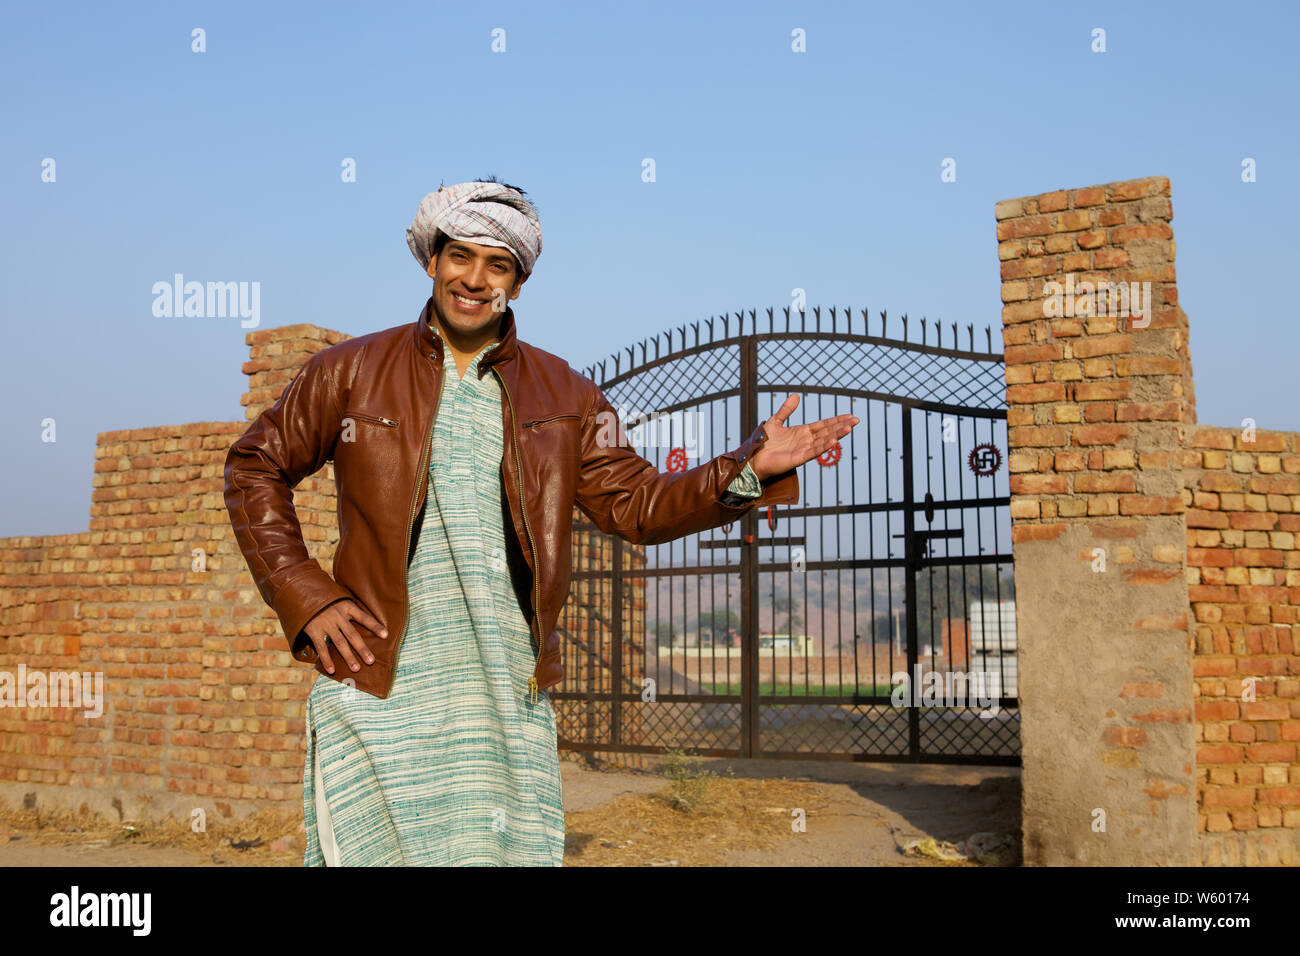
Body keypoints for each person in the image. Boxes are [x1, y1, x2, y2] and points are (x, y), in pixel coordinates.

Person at [223, 177, 860, 866]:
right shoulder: (349, 372)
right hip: (381, 680)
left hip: (504, 688)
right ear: (432, 261)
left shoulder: (567, 394)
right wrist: (303, 592)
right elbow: (255, 466)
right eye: (460, 256)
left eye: (498, 265)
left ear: (518, 283)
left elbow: (637, 504)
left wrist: (748, 469)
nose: (474, 279)